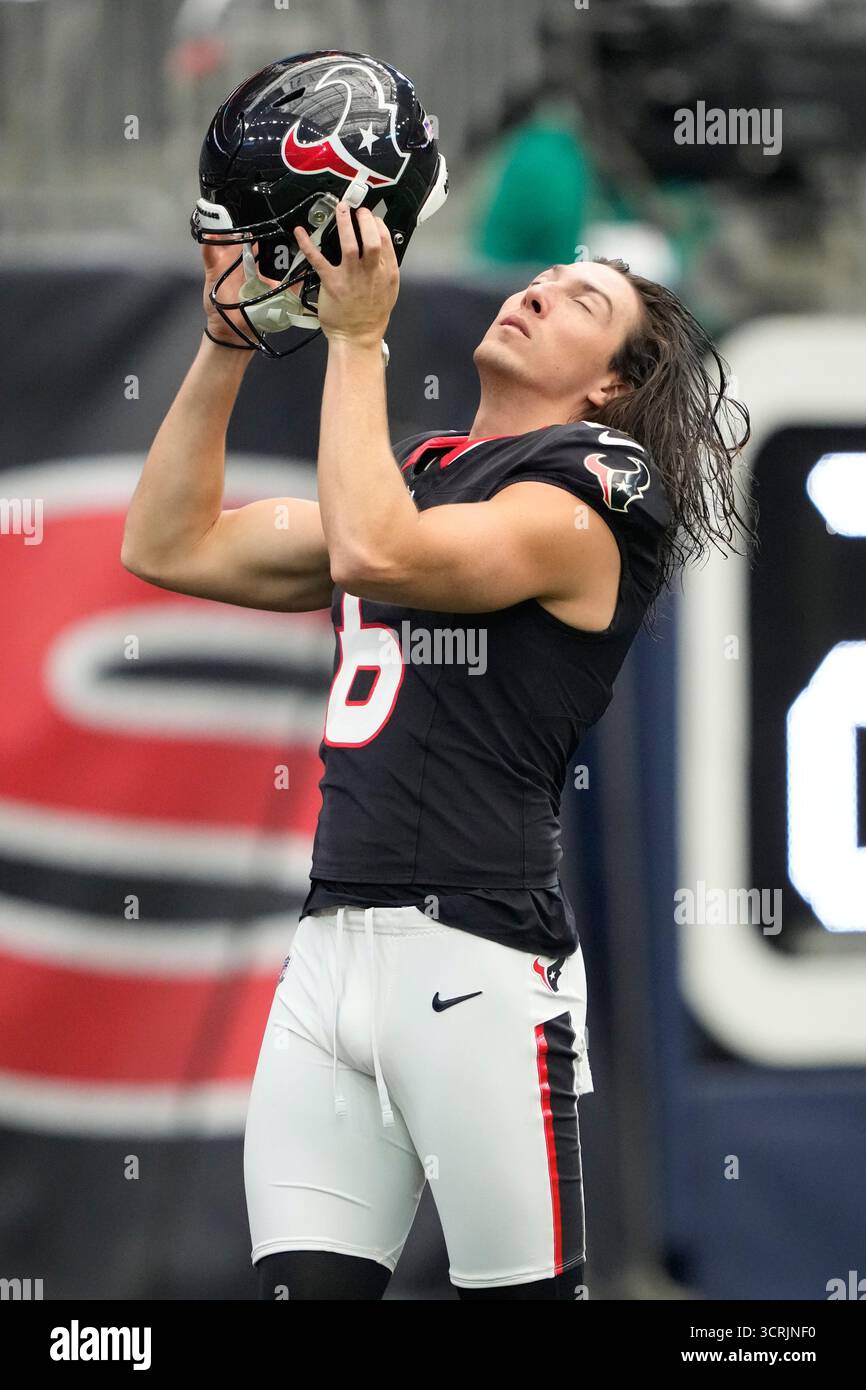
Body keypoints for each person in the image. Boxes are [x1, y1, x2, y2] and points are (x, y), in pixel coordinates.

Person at [122, 203, 752, 1300]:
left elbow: (381, 549)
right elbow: (168, 542)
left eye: (580, 299)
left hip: (474, 964)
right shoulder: (416, 467)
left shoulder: (600, 488)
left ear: (608, 383)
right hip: (326, 958)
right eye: (543, 277)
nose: (539, 291)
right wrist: (231, 338)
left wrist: (357, 340)